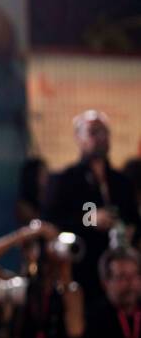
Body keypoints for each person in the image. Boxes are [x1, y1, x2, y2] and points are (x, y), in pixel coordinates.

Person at [41, 110, 140, 303]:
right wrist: (88, 220)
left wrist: (130, 231)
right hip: (82, 270)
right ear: (79, 137)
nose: (100, 138)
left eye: (104, 132)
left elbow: (134, 218)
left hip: (119, 273)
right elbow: (50, 222)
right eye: (93, 132)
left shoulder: (122, 182)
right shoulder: (64, 180)